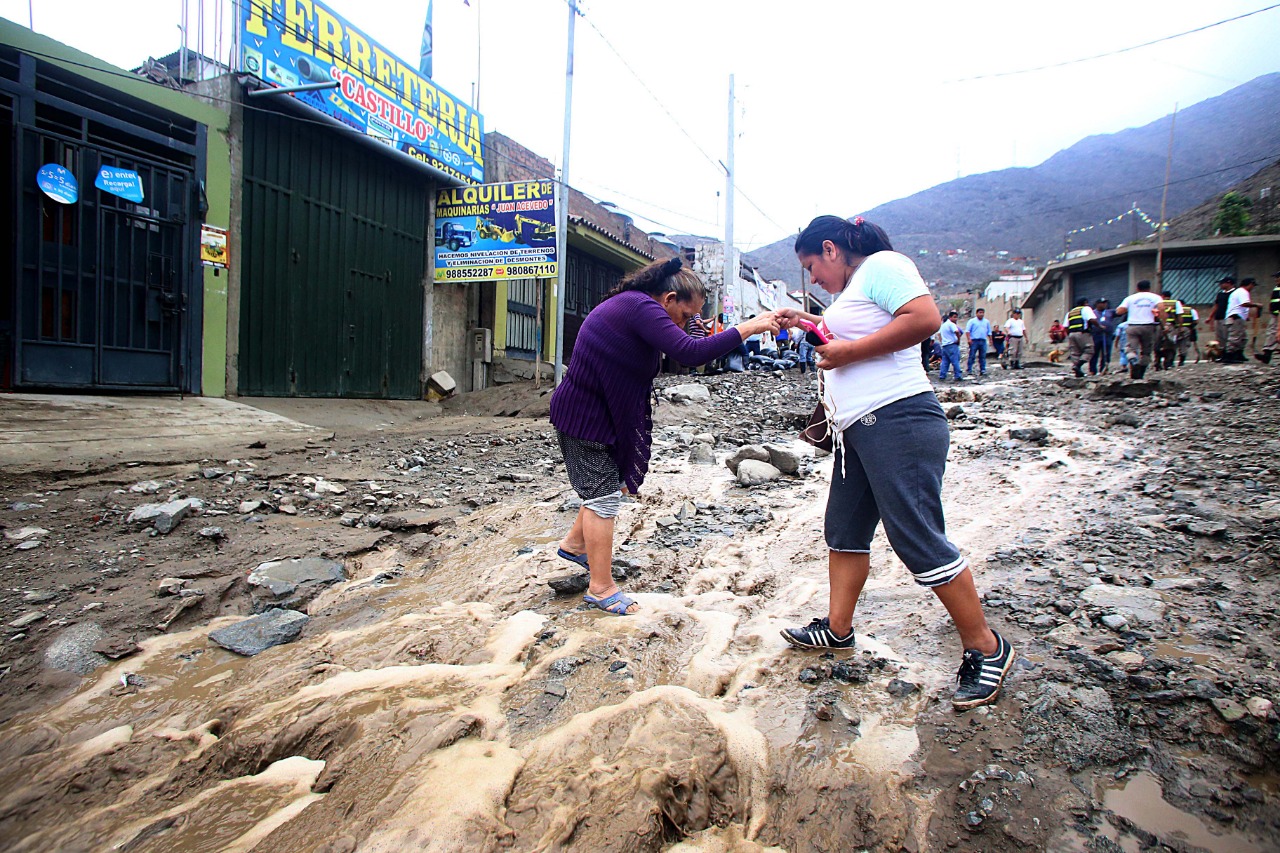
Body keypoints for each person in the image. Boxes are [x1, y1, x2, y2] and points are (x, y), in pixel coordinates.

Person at [775, 215, 1013, 711]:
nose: (813, 278)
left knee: (917, 537)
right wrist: (809, 326)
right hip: (859, 431)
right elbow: (849, 342)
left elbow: (924, 320)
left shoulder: (884, 265)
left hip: (900, 420)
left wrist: (847, 351)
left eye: (811, 266)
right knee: (843, 530)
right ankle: (838, 630)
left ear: (831, 249)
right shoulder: (855, 290)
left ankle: (986, 647)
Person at [550, 258, 778, 615]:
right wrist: (749, 327)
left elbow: (689, 352)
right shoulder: (642, 307)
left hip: (599, 412)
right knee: (603, 498)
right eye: (687, 315)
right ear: (669, 299)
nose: (688, 322)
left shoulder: (638, 305)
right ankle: (600, 588)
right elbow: (689, 352)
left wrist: (695, 327)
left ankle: (576, 545)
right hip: (586, 416)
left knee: (605, 486)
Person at [1115, 280, 1164, 379]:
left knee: (1130, 349)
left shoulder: (1130, 298)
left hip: (1133, 326)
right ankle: (1141, 371)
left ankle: (1133, 361)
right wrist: (1164, 323)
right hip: (1149, 326)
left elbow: (1119, 311)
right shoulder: (1155, 297)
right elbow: (1162, 309)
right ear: (1149, 288)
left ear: (1137, 288)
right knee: (1146, 351)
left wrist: (1132, 309)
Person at [1222, 277, 1260, 364]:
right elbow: (1244, 303)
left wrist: (1245, 316)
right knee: (1235, 337)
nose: (1252, 288)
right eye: (1252, 286)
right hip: (1235, 317)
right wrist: (1256, 305)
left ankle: (1238, 354)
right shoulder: (1243, 292)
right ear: (1250, 284)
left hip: (1237, 316)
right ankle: (1230, 356)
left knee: (1242, 337)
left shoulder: (1238, 292)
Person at [1063, 297, 1096, 378]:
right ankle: (1078, 365)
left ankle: (1078, 372)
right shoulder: (1086, 309)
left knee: (1075, 353)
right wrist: (1100, 326)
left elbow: (1065, 327)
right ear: (1085, 302)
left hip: (1071, 334)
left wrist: (1069, 335)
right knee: (1089, 350)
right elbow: (1092, 319)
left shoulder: (1070, 312)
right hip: (1082, 333)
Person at [1206, 276, 1236, 361]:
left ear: (1229, 283)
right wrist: (1210, 317)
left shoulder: (1234, 293)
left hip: (1228, 317)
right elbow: (1216, 305)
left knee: (1228, 336)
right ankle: (1222, 354)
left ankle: (1230, 354)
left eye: (1222, 283)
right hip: (1219, 317)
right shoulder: (1220, 294)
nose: (1220, 285)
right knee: (1220, 337)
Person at [1257, 271, 1280, 365]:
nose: (1276, 279)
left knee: (1275, 333)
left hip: (1278, 315)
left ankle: (1267, 354)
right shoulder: (1277, 288)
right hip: (1275, 314)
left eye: (1278, 277)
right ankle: (1267, 354)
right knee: (1271, 333)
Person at [1089, 298, 1114, 375]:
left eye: (1105, 303)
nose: (1104, 305)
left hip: (1107, 335)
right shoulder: (1092, 312)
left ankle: (1104, 369)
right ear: (1097, 304)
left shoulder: (1110, 312)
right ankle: (1093, 370)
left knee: (1106, 352)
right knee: (1094, 353)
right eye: (1102, 303)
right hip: (1096, 335)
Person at [965, 308, 992, 377]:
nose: (981, 314)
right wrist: (969, 339)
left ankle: (982, 370)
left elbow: (989, 332)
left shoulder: (986, 322)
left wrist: (990, 340)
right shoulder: (972, 321)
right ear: (976, 313)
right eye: (980, 312)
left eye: (982, 313)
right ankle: (969, 369)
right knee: (972, 355)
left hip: (983, 341)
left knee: (982, 356)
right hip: (974, 341)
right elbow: (967, 331)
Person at [938, 310, 963, 381]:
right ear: (950, 317)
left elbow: (939, 334)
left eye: (956, 317)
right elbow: (957, 331)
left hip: (945, 345)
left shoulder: (943, 325)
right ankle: (958, 376)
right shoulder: (951, 324)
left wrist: (942, 341)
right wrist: (958, 340)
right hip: (952, 345)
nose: (956, 319)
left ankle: (942, 375)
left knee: (945, 361)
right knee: (955, 361)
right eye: (954, 317)